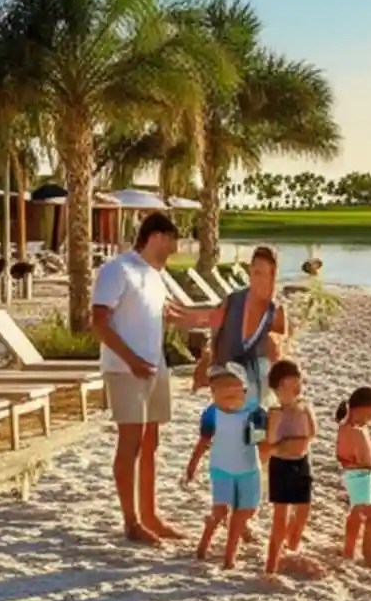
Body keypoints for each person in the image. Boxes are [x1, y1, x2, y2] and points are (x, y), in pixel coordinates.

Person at [91, 212, 209, 545]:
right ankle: (132, 522)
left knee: (150, 443)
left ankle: (151, 515)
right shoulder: (118, 269)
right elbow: (99, 321)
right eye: (174, 239)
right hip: (126, 369)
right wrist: (132, 361)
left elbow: (173, 316)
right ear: (157, 236)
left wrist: (220, 318)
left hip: (154, 368)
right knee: (130, 443)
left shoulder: (155, 276)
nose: (175, 247)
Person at [185, 363, 270, 569]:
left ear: (244, 389)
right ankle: (217, 551)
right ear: (212, 393)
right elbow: (204, 441)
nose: (229, 391)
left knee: (245, 511)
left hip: (249, 469)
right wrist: (192, 465)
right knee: (221, 511)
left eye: (234, 386)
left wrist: (271, 466)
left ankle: (227, 550)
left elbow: (261, 444)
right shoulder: (211, 414)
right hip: (221, 469)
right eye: (221, 388)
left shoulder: (255, 413)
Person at [203, 245, 288, 409]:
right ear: (250, 272)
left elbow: (280, 354)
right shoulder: (232, 301)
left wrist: (275, 343)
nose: (261, 280)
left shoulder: (276, 310)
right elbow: (213, 335)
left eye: (267, 274)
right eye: (256, 273)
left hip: (258, 380)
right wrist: (207, 361)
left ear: (273, 276)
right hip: (227, 373)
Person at [264, 360, 318, 575]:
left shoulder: (305, 407)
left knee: (304, 507)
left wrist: (304, 413)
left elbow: (312, 433)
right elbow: (271, 442)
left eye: (299, 382)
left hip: (301, 461)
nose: (296, 387)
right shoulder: (275, 413)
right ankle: (271, 564)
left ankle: (292, 543)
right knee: (280, 516)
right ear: (278, 388)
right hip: (282, 464)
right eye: (290, 383)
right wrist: (287, 441)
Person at [335, 387, 371, 568]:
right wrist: (362, 462)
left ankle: (349, 549)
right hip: (358, 474)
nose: (369, 420)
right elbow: (344, 452)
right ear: (356, 409)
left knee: (359, 512)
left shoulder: (357, 426)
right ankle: (368, 555)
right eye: (367, 415)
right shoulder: (349, 428)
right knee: (370, 513)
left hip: (364, 474)